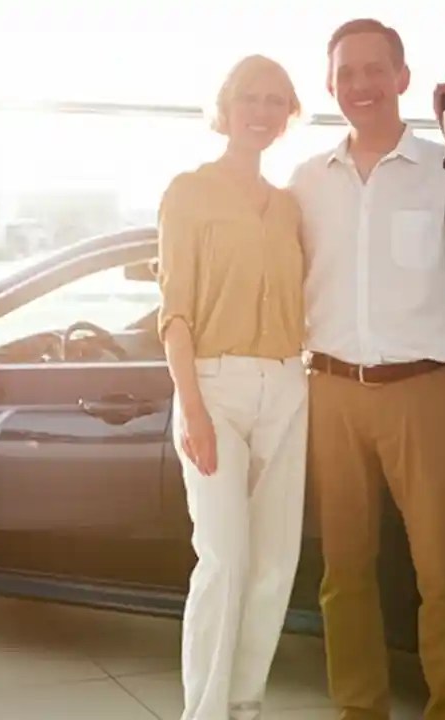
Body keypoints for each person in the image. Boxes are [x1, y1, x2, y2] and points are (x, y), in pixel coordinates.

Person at [287, 18, 445, 720]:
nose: (360, 84)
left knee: (442, 573)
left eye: (374, 69)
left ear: (402, 78)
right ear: (330, 85)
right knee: (344, 571)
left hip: (424, 394)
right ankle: (360, 709)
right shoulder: (307, 181)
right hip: (331, 391)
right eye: (346, 73)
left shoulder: (443, 166)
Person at [156, 54, 310, 720]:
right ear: (226, 106)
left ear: (288, 114)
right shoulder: (189, 191)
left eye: (277, 101)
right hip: (212, 387)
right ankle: (205, 712)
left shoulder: (289, 206)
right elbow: (174, 312)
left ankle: (244, 705)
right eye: (251, 97)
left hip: (287, 383)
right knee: (223, 559)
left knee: (275, 563)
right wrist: (191, 409)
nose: (262, 111)